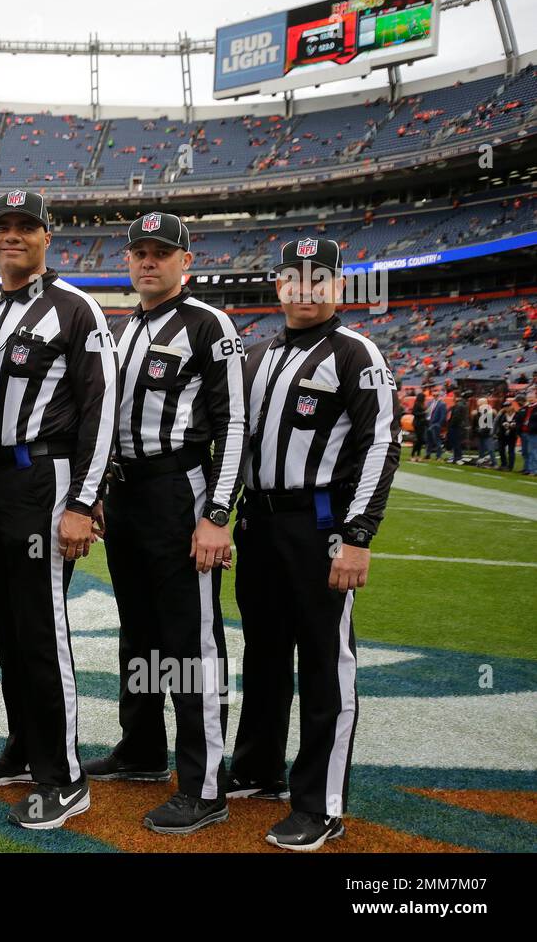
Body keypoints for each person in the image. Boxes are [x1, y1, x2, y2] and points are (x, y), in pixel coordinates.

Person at [230, 238, 399, 851]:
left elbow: (382, 446)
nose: (305, 290)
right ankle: (257, 767)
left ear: (338, 287)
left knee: (327, 662)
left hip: (321, 524)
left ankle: (320, 803)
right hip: (260, 523)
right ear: (279, 287)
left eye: (318, 279)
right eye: (294, 279)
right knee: (265, 651)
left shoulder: (356, 353)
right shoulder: (263, 352)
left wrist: (357, 536)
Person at [90, 211, 246, 836]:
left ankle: (205, 784)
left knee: (191, 640)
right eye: (139, 252)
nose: (148, 261)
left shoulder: (210, 325)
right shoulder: (126, 328)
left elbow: (234, 424)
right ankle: (142, 746)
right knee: (140, 630)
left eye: (161, 252)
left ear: (186, 260)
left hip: (179, 489)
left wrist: (215, 514)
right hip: (128, 495)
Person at [0, 190, 119, 830]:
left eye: (25, 227)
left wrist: (84, 499)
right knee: (9, 624)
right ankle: (24, 746)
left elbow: (101, 410)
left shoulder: (76, 308)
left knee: (43, 629)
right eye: (3, 227)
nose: (12, 237)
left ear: (46, 237)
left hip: (45, 476)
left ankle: (65, 775)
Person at [496, 399, 519, 471]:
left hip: (512, 435)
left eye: (508, 406)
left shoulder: (517, 414)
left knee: (511, 451)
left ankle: (510, 466)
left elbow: (519, 424)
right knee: (501, 450)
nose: (506, 408)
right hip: (502, 435)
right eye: (505, 406)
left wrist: (513, 426)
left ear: (511, 406)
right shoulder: (502, 414)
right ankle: (503, 464)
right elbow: (498, 423)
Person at [427, 388, 447, 460]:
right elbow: (427, 412)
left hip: (435, 424)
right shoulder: (429, 403)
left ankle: (438, 455)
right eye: (434, 394)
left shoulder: (442, 404)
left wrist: (439, 424)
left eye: (436, 395)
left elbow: (443, 415)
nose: (435, 396)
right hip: (428, 423)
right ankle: (428, 454)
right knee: (429, 440)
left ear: (439, 395)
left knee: (437, 440)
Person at [447, 392, 467, 463]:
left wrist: (451, 425)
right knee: (457, 442)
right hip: (460, 426)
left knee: (456, 442)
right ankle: (458, 456)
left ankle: (457, 457)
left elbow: (456, 417)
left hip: (456, 426)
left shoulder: (458, 405)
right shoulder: (463, 404)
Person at [475, 397, 496, 466]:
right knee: (481, 449)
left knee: (490, 449)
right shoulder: (480, 411)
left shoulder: (489, 412)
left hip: (487, 434)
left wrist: (481, 430)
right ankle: (481, 462)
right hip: (482, 433)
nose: (478, 405)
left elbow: (489, 424)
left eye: (479, 403)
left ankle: (494, 463)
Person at [522, 389, 537, 476]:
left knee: (533, 451)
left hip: (533, 433)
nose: (530, 399)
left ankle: (534, 470)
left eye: (532, 397)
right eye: (529, 398)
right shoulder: (526, 407)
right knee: (526, 452)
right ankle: (528, 469)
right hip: (525, 432)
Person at [410, 391, 427, 462]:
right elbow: (414, 413)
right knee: (417, 440)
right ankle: (413, 455)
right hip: (418, 424)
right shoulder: (417, 404)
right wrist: (423, 413)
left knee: (420, 440)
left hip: (422, 424)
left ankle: (418, 455)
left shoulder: (422, 404)